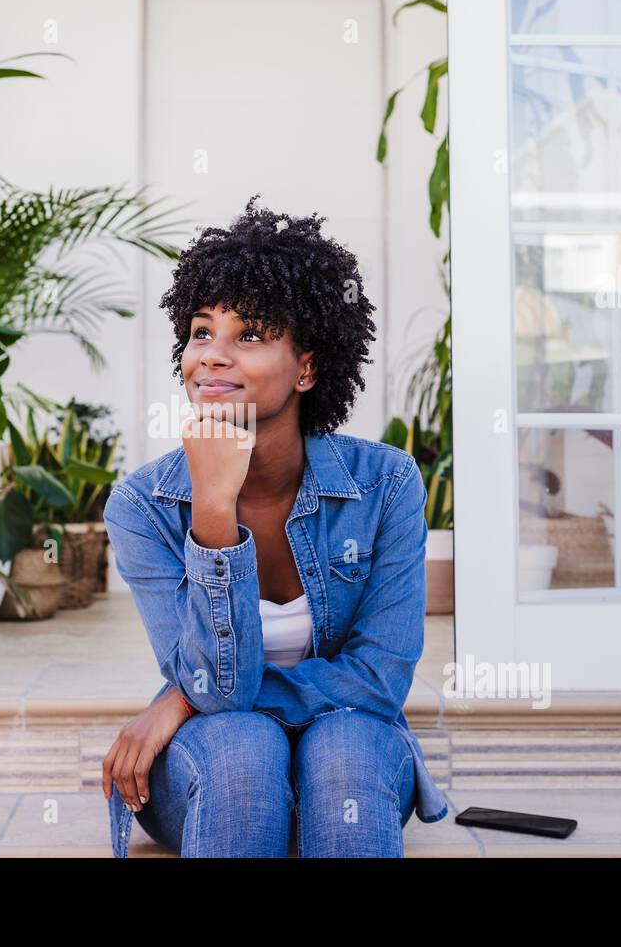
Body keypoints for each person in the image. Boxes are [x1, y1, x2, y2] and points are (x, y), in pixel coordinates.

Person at [100, 196, 449, 857]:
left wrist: (175, 703)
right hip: (215, 768)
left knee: (342, 744)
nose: (212, 356)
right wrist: (212, 509)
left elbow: (377, 679)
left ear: (308, 367)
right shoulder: (143, 505)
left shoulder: (386, 484)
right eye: (201, 332)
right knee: (244, 749)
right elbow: (217, 689)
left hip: (352, 752)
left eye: (249, 335)